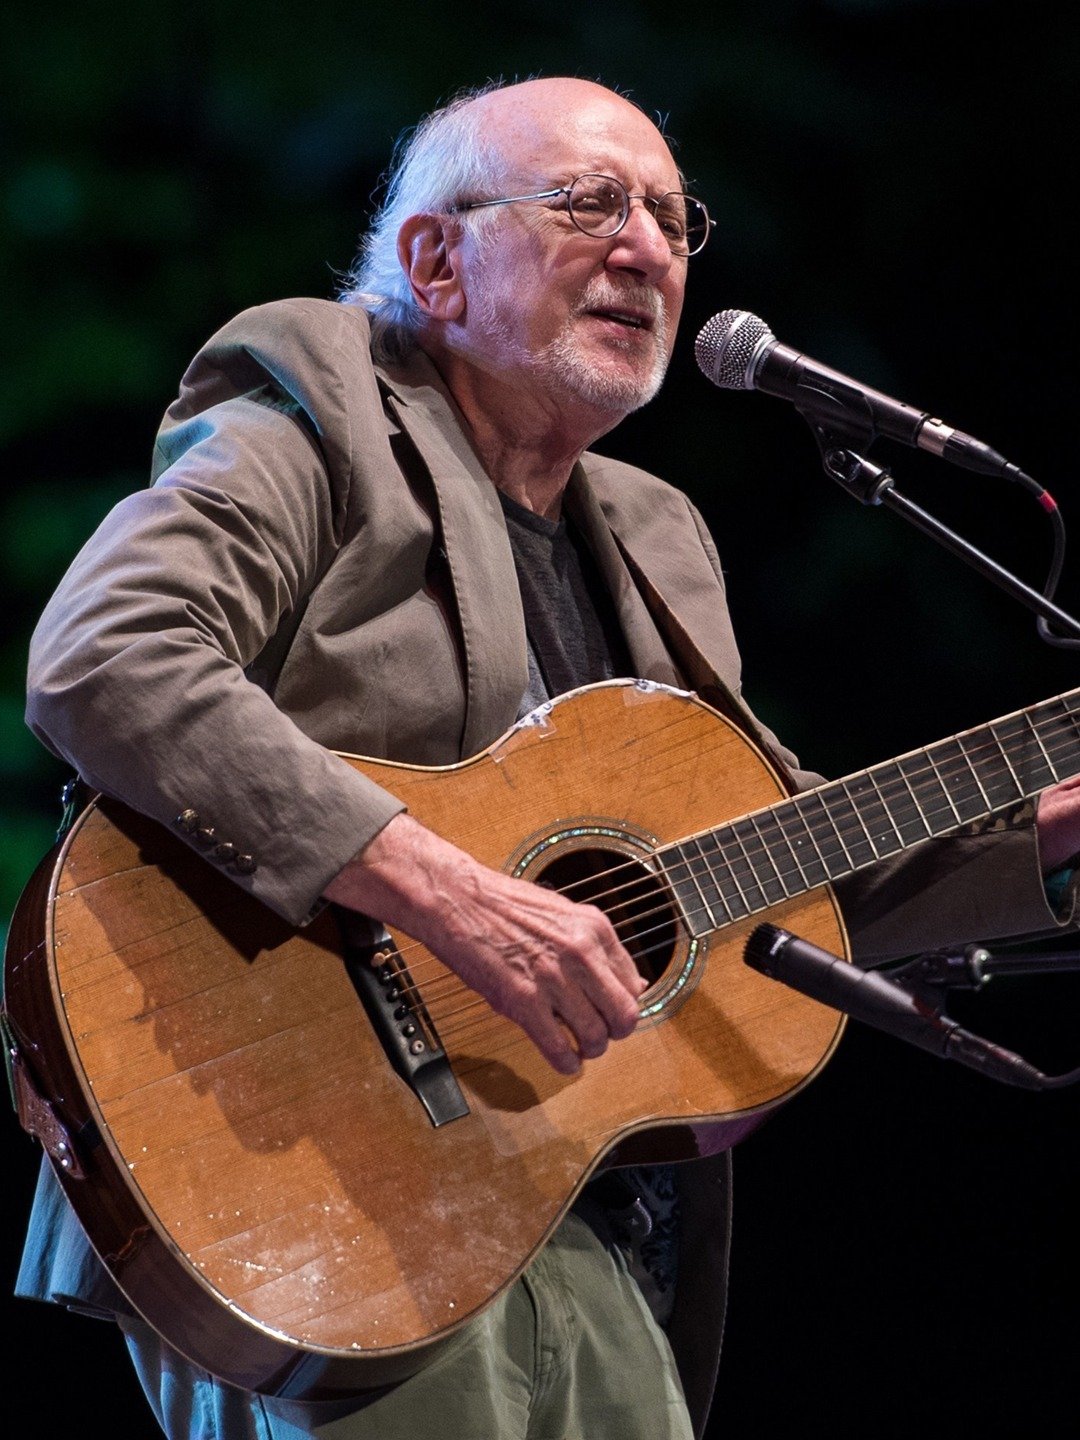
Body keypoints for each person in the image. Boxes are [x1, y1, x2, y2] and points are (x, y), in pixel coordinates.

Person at [12, 76, 1080, 1440]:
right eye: (588, 203)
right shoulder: (317, 395)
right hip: (314, 1167)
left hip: (585, 1209)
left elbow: (778, 866)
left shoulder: (661, 532)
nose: (649, 247)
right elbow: (111, 653)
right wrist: (445, 891)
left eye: (674, 217)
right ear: (435, 262)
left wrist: (1045, 823)